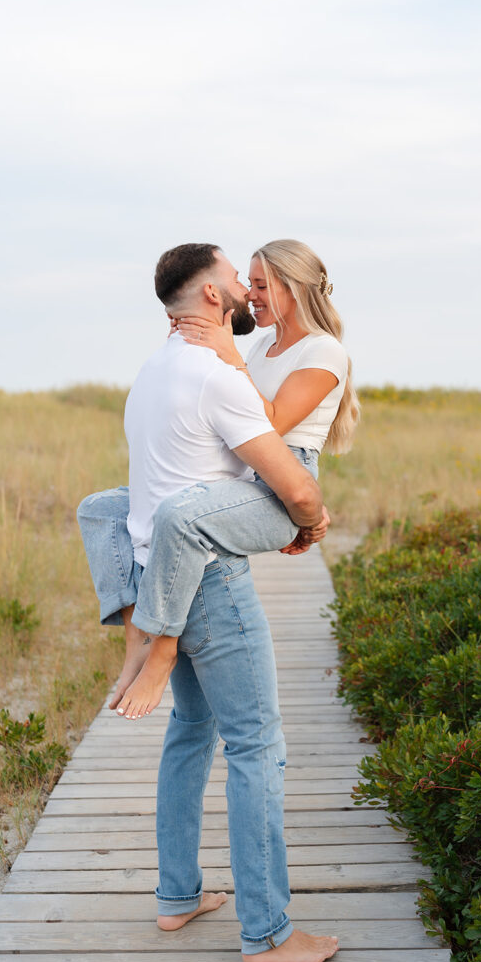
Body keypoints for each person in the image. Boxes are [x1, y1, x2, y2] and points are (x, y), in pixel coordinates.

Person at [81, 242, 339, 962]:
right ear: (212, 299)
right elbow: (292, 487)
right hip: (210, 581)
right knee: (257, 746)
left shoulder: (153, 370)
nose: (244, 289)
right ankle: (268, 934)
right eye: (234, 279)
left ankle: (176, 895)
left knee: (192, 730)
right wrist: (312, 521)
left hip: (154, 570)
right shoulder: (216, 378)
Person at [77, 239, 359, 721]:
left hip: (282, 464)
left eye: (261, 284)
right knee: (103, 508)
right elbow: (224, 405)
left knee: (179, 516)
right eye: (247, 282)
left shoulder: (324, 351)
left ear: (292, 288)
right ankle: (136, 643)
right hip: (249, 468)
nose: (250, 294)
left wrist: (227, 353)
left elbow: (270, 420)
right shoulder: (258, 346)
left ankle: (161, 649)